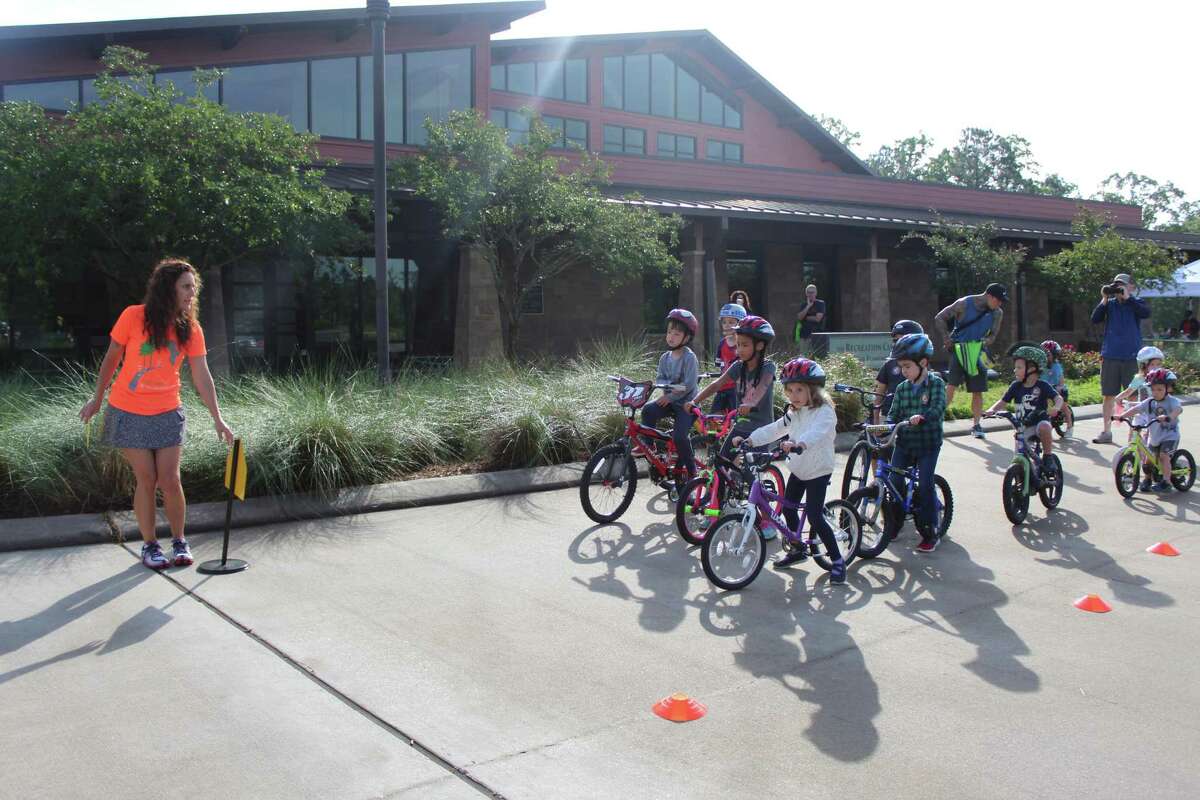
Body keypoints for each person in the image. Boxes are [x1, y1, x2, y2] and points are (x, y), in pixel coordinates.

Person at [79, 258, 235, 571]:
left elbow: (202, 375)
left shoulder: (190, 329)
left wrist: (218, 417)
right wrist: (97, 399)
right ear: (168, 288)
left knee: (170, 479)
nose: (192, 292)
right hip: (128, 410)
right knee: (147, 478)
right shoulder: (133, 317)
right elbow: (112, 358)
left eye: (194, 286)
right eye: (186, 286)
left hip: (167, 411)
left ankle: (179, 540)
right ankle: (150, 545)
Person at [732, 358, 844, 582]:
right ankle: (797, 549)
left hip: (818, 471)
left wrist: (799, 444)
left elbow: (817, 433)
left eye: (800, 390)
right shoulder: (794, 413)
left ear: (813, 389)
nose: (794, 395)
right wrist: (750, 440)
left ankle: (838, 561)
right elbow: (774, 429)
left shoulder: (824, 412)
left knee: (814, 516)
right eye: (790, 390)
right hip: (799, 469)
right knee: (788, 510)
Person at [687, 314, 777, 466]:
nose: (739, 349)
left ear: (760, 346)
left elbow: (763, 386)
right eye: (738, 344)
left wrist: (751, 403)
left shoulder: (768, 367)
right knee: (721, 464)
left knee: (749, 466)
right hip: (740, 425)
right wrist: (694, 401)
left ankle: (755, 488)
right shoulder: (738, 366)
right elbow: (717, 384)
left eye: (745, 345)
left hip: (762, 429)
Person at [886, 332, 947, 554]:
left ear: (923, 363)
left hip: (928, 444)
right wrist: (888, 425)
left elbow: (939, 407)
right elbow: (893, 413)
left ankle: (931, 531)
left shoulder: (936, 384)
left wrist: (923, 416)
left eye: (907, 366)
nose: (904, 371)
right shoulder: (902, 388)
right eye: (901, 367)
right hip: (905, 443)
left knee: (926, 483)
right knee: (894, 480)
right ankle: (895, 523)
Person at [935, 283, 1007, 439]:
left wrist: (985, 342)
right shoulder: (964, 304)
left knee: (977, 390)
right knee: (951, 386)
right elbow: (940, 318)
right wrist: (946, 338)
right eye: (998, 300)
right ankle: (937, 421)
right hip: (959, 350)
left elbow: (993, 335)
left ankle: (976, 424)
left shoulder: (997, 313)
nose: (1000, 303)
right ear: (989, 296)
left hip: (977, 353)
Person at [641, 308, 701, 489]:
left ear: (687, 337)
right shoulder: (664, 358)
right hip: (669, 401)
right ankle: (649, 449)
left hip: (687, 405)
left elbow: (688, 385)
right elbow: (660, 380)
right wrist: (662, 390)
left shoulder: (689, 358)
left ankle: (692, 471)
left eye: (676, 334)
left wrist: (670, 394)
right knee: (648, 410)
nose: (671, 337)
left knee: (681, 437)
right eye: (669, 332)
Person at [1090, 273, 1151, 444]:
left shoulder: (1136, 303)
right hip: (1111, 355)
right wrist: (1104, 298)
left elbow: (1146, 313)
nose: (1118, 288)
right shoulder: (1109, 305)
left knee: (1132, 395)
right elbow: (1095, 319)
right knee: (1108, 395)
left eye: (1122, 285)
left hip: (1132, 357)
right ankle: (1106, 431)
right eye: (1116, 285)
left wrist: (1128, 297)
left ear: (1131, 286)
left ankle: (1134, 434)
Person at [985, 345, 1062, 471]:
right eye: (1015, 367)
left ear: (1032, 369)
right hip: (1022, 427)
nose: (1015, 370)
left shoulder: (1042, 386)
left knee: (1045, 426)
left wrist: (1056, 408)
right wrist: (992, 410)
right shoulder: (1016, 386)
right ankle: (1022, 480)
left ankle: (1048, 457)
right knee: (1020, 458)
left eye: (1019, 367)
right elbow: (1003, 401)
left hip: (1038, 424)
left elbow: (1058, 398)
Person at [1117, 368, 1183, 493]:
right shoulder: (1149, 402)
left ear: (1168, 388)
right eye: (1153, 389)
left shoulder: (1171, 401)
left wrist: (1169, 417)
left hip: (1170, 435)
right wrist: (1121, 416)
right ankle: (1147, 479)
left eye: (1159, 389)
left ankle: (1167, 482)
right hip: (1154, 436)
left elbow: (1178, 409)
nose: (1155, 392)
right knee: (1148, 461)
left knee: (1163, 456)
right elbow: (1136, 409)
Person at [1115, 346, 1164, 483]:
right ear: (1143, 365)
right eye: (1152, 364)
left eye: (1158, 364)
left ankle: (1150, 462)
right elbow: (1128, 391)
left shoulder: (1160, 379)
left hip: (1154, 414)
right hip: (1141, 412)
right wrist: (1118, 398)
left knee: (1151, 439)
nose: (1155, 367)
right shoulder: (1140, 378)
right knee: (1133, 433)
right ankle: (1132, 456)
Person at [874, 320, 923, 423]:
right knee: (885, 438)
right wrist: (876, 420)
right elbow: (879, 393)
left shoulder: (922, 363)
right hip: (889, 415)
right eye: (895, 340)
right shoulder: (890, 364)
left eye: (902, 340)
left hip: (913, 417)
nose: (897, 344)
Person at [711, 303, 746, 413]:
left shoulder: (742, 344)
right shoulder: (722, 344)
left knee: (735, 416)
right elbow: (720, 365)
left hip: (737, 387)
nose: (727, 325)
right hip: (722, 386)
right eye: (724, 322)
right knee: (714, 417)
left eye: (731, 322)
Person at [1041, 340, 1073, 437]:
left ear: (1054, 355)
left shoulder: (1056, 367)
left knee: (1064, 407)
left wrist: (1060, 386)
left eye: (1048, 355)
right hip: (1046, 390)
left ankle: (1070, 427)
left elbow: (1061, 379)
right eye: (1044, 355)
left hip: (1058, 389)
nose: (1046, 357)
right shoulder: (1041, 367)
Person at [793, 284, 826, 348]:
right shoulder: (804, 304)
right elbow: (799, 318)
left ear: (816, 293)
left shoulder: (820, 303)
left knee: (815, 357)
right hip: (803, 336)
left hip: (816, 336)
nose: (810, 294)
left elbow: (817, 319)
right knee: (804, 357)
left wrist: (805, 318)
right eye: (808, 292)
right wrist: (808, 306)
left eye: (812, 292)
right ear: (806, 294)